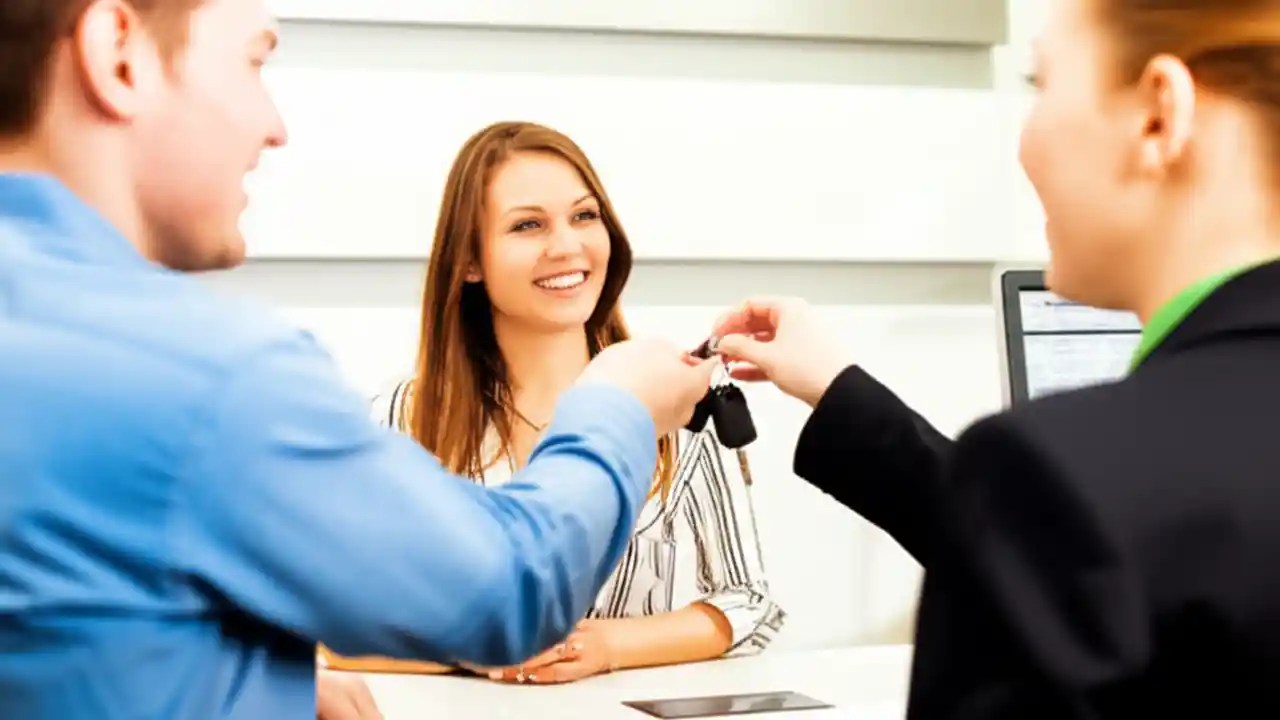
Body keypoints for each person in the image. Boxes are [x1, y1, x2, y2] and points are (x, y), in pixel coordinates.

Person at [0, 2, 716, 720]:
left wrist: (251, 683)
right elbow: (514, 588)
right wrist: (620, 403)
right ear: (117, 53)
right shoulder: (212, 379)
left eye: (584, 216)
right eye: (253, 62)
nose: (273, 126)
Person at [711, 0, 1280, 717]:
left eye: (1042, 85)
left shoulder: (1061, 474)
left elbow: (1080, 526)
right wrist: (840, 392)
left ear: (1159, 115)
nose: (1023, 144)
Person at [322, 121, 784, 685]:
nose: (566, 245)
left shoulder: (673, 396)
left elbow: (746, 602)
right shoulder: (398, 421)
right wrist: (477, 649)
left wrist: (607, 645)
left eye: (584, 216)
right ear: (469, 261)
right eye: (528, 225)